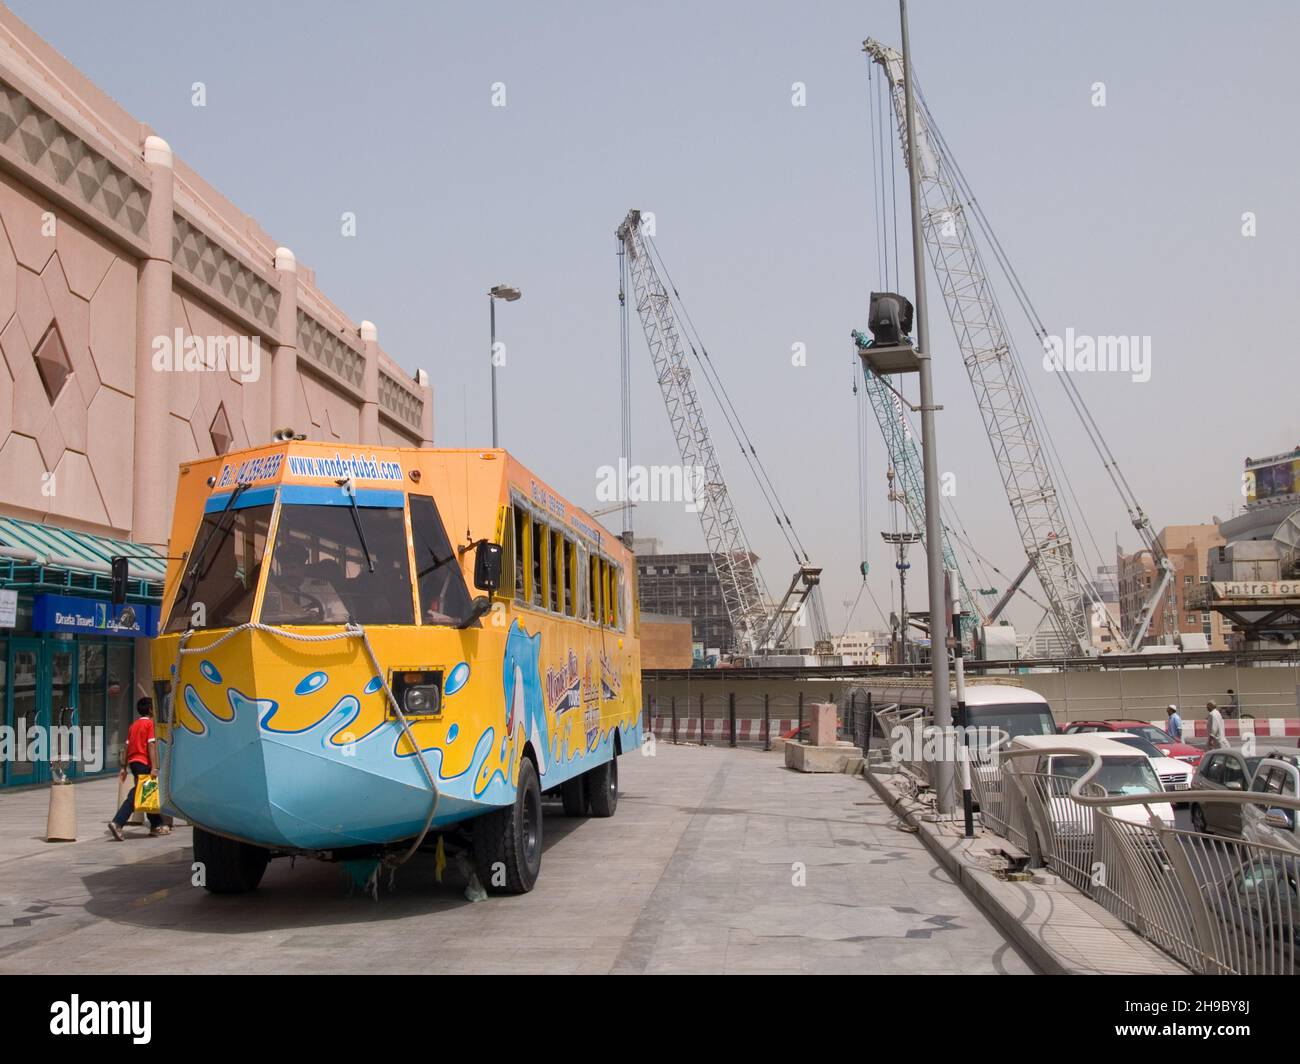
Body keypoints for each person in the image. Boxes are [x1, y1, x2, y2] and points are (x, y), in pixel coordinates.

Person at [107, 697, 168, 839]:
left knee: (147, 792)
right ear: (151, 710)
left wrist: (123, 767)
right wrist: (154, 767)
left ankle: (156, 825)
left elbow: (126, 746)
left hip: (134, 762)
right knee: (137, 794)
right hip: (144, 762)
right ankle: (118, 822)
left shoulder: (133, 725)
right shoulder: (150, 725)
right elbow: (151, 745)